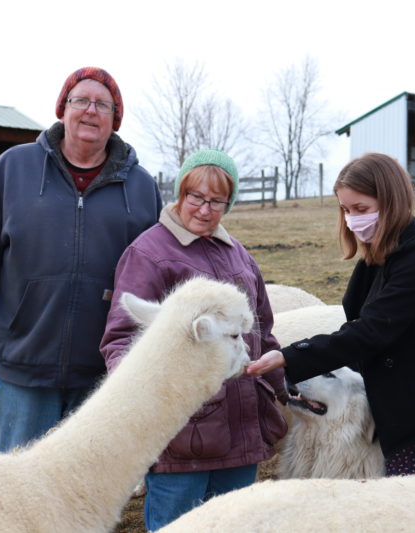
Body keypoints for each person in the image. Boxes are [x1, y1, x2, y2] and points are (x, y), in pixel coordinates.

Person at [246, 152, 415, 495]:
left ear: (391, 201)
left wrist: (291, 356)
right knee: (403, 511)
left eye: (361, 209)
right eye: (345, 210)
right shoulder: (371, 263)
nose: (352, 219)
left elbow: (371, 331)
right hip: (406, 415)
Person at [0, 67, 162, 453]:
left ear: (115, 119)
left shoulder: (141, 188)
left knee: (88, 498)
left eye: (103, 105)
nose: (91, 111)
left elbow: (156, 279)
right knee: (20, 496)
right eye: (81, 101)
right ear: (63, 109)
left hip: (104, 377)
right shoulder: (14, 169)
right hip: (22, 375)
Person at [100, 149, 288, 531]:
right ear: (180, 193)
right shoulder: (149, 254)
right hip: (182, 433)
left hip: (241, 425)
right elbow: (121, 338)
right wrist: (143, 397)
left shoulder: (239, 256)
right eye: (196, 197)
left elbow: (262, 331)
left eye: (217, 201)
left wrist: (279, 389)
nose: (204, 210)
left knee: (236, 524)